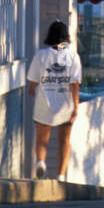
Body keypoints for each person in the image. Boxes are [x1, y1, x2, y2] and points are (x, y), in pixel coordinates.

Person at [27, 20, 81, 181]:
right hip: (65, 105)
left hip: (45, 104)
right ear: (66, 36)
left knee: (42, 139)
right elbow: (75, 84)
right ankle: (61, 175)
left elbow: (33, 82)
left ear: (50, 35)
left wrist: (31, 90)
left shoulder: (41, 55)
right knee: (64, 140)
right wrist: (76, 107)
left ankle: (40, 163)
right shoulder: (72, 56)